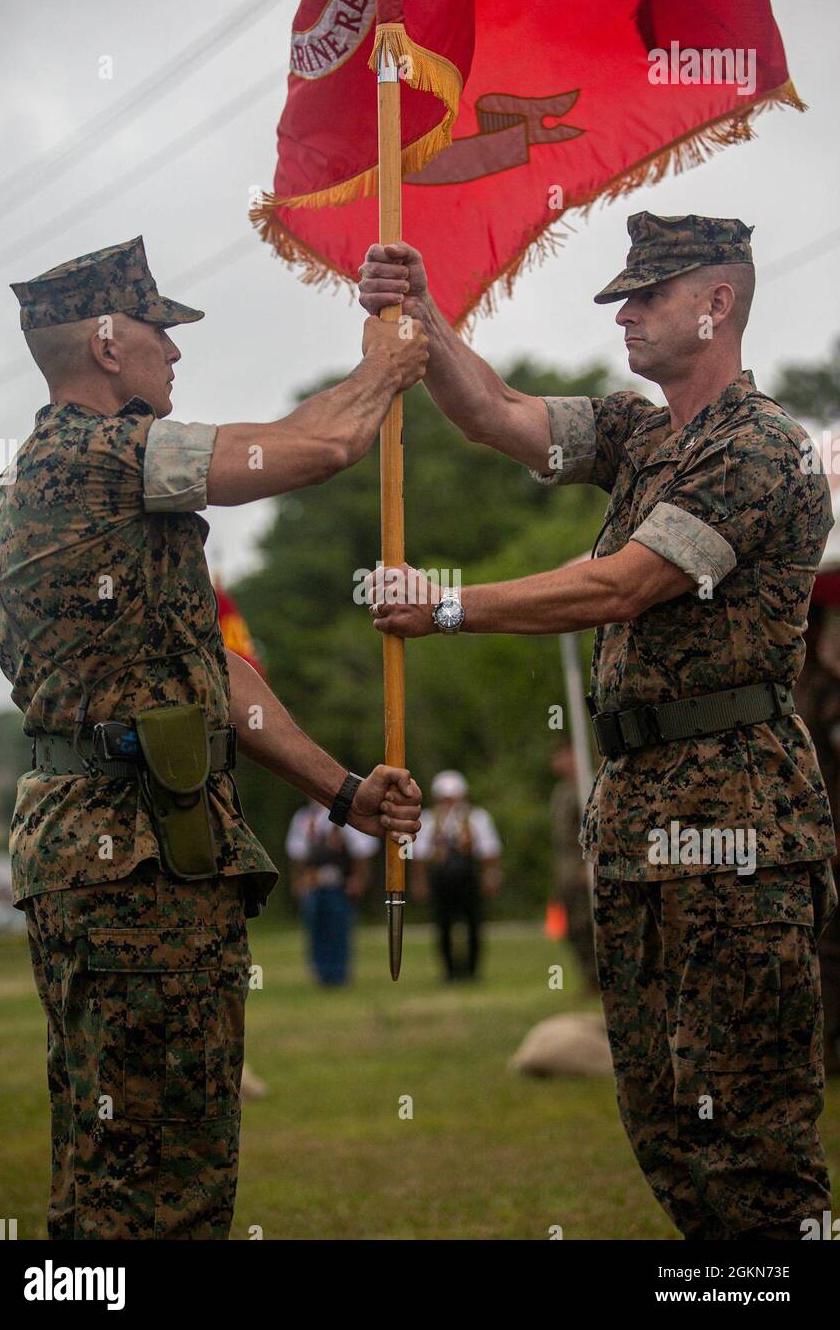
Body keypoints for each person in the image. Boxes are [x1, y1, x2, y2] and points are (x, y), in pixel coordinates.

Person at [358, 212, 838, 1240]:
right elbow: (490, 413)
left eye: (647, 295)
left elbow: (625, 584)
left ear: (715, 305)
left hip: (731, 827)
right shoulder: (639, 437)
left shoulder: (761, 448)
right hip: (638, 825)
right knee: (665, 1121)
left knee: (747, 1137)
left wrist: (444, 604)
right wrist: (424, 316)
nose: (624, 313)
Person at [0, 234, 427, 1240]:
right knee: (155, 1181)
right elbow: (318, 449)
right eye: (158, 332)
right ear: (104, 343)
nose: (174, 354)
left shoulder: (25, 488)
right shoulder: (97, 458)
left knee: (126, 1155)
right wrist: (385, 363)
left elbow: (206, 671)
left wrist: (340, 790)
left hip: (117, 854)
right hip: (131, 862)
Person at [794, 602, 840, 1074]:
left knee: (826, 949)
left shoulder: (824, 691)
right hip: (805, 835)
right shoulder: (792, 690)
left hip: (823, 832)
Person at [410, 770, 502, 981]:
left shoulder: (477, 818)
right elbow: (419, 857)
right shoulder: (427, 820)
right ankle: (449, 972)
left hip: (468, 879)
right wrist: (419, 883)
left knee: (473, 925)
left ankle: (471, 971)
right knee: (443, 926)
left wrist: (491, 876)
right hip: (441, 880)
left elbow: (490, 852)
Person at [286, 798, 377, 985]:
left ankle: (339, 973)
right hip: (314, 882)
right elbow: (296, 853)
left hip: (339, 882)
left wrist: (359, 878)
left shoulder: (346, 816)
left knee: (338, 928)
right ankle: (321, 973)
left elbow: (362, 850)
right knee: (316, 926)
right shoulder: (304, 817)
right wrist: (298, 881)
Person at [548, 739, 598, 993]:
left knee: (587, 922)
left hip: (581, 868)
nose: (555, 762)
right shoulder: (561, 791)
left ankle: (597, 976)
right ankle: (587, 975)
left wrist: (586, 866)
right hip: (565, 868)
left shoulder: (587, 788)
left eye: (561, 756)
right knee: (572, 925)